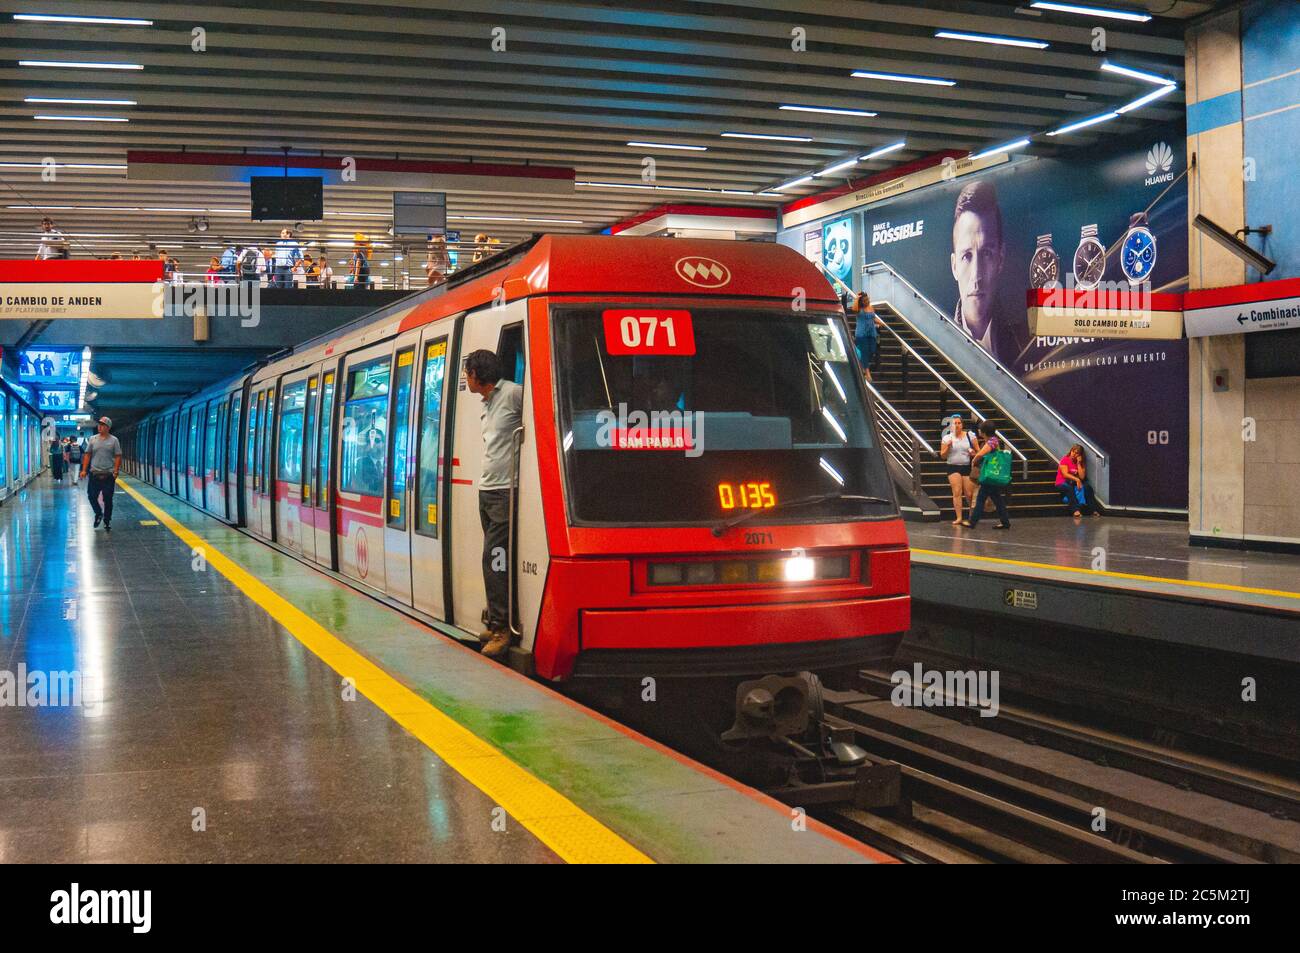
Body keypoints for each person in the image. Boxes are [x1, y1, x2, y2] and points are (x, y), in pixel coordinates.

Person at [464, 349, 523, 661]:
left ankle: (501, 629)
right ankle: (498, 620)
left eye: (468, 373)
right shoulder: (486, 403)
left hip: (504, 491)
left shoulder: (513, 394)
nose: (466, 379)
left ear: (477, 374)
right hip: (487, 490)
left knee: (495, 559)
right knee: (492, 558)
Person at [949, 179, 1027, 364]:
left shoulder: (1023, 343)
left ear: (1000, 258)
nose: (976, 275)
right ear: (954, 266)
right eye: (967, 256)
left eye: (986, 254)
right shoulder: (936, 345)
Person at [962, 421, 1011, 529]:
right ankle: (1005, 522)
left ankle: (972, 522)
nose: (979, 430)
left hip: (989, 475)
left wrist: (974, 459)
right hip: (992, 474)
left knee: (981, 498)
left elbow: (981, 454)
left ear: (984, 432)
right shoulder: (992, 441)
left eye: (980, 429)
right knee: (997, 500)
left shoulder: (991, 442)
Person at [82, 416, 122, 532]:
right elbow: (87, 454)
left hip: (108, 475)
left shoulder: (114, 440)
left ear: (108, 427)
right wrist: (84, 470)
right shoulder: (93, 439)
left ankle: (107, 520)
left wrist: (116, 470)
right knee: (91, 496)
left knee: (108, 499)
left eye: (102, 425)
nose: (99, 426)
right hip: (95, 474)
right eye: (99, 424)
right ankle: (98, 513)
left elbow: (118, 456)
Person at [940, 414, 977, 525]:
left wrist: (973, 453)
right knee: (957, 491)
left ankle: (971, 516)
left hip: (966, 466)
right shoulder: (947, 438)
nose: (957, 425)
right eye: (954, 423)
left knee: (969, 494)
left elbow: (978, 451)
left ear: (962, 424)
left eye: (959, 423)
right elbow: (943, 455)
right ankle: (959, 517)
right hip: (952, 466)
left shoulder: (970, 436)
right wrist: (948, 447)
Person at [1056, 443, 1099, 518]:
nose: (1074, 454)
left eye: (1077, 453)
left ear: (1080, 455)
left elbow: (1082, 477)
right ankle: (1075, 510)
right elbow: (1065, 474)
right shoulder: (1065, 460)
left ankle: (1093, 510)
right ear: (1071, 451)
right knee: (1068, 488)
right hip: (1062, 483)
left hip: (1073, 483)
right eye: (1073, 452)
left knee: (1087, 487)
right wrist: (1077, 479)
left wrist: (1079, 463)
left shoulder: (1081, 463)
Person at [853, 293, 886, 381]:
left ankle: (861, 359)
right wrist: (857, 298)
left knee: (872, 350)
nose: (867, 302)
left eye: (867, 299)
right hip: (861, 334)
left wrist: (881, 323)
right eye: (864, 300)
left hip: (871, 333)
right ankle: (867, 373)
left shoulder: (871, 308)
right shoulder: (859, 309)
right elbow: (854, 309)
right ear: (861, 302)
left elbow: (873, 318)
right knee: (865, 352)